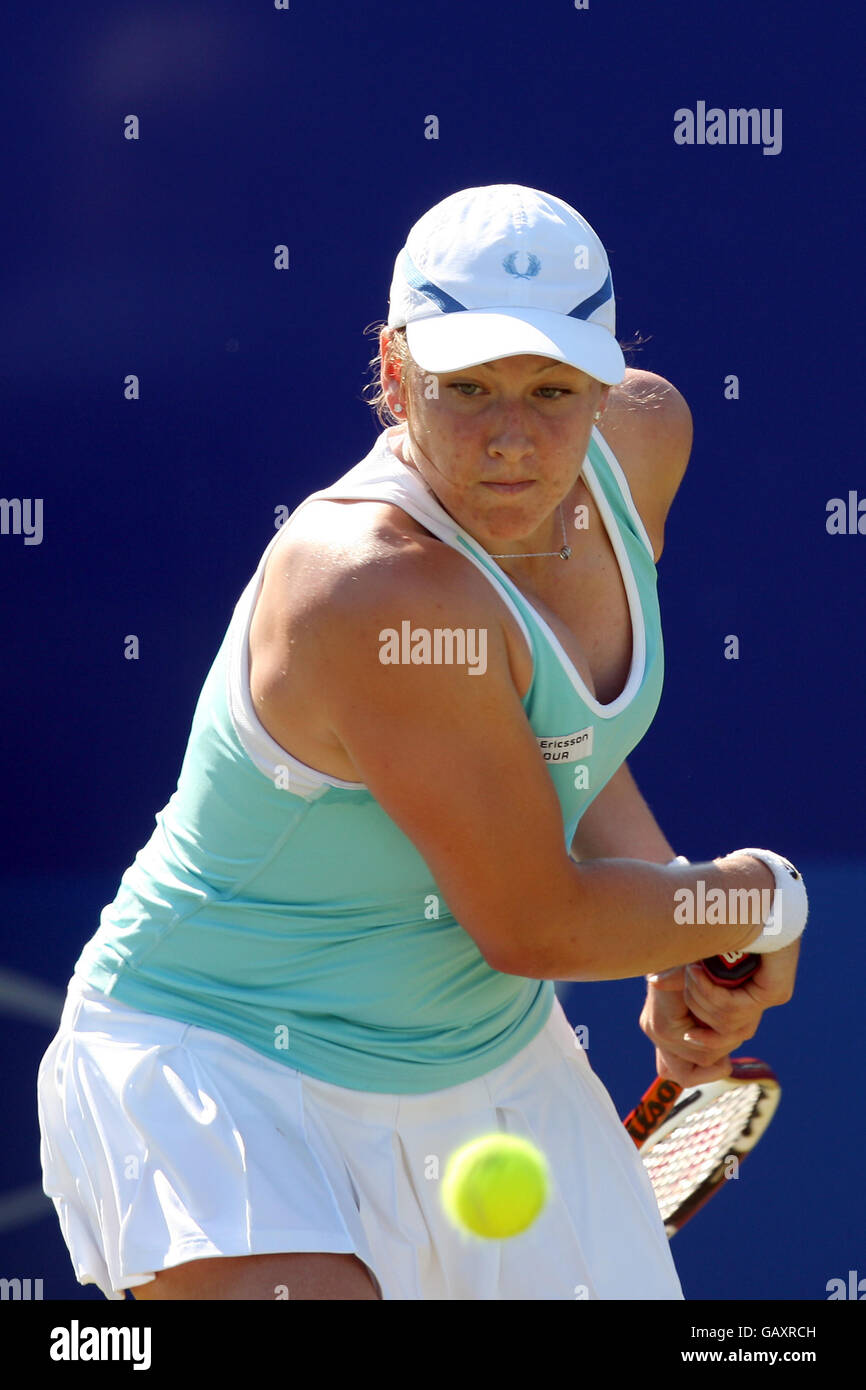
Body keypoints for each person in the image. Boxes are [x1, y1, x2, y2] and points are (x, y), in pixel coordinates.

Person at [37, 183, 807, 1301]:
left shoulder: (642, 444)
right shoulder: (370, 587)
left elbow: (556, 751)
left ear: (604, 381)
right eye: (464, 389)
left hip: (495, 1071)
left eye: (551, 389)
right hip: (229, 1067)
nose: (510, 437)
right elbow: (533, 920)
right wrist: (752, 895)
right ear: (395, 377)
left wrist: (666, 935)